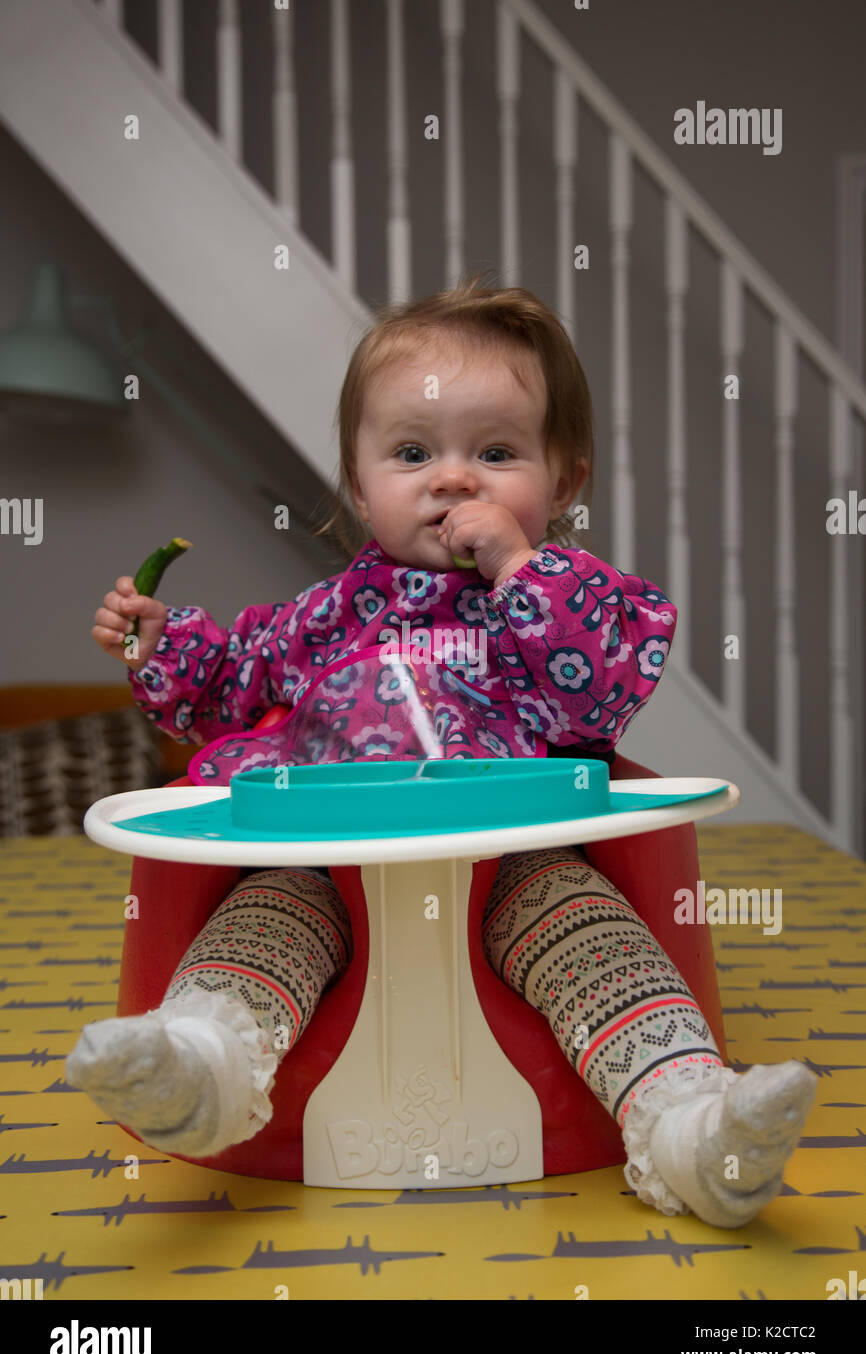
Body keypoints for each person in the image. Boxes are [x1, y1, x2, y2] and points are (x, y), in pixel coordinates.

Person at [69, 280, 815, 1227]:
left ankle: (689, 1125)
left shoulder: (568, 603)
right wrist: (162, 642)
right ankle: (202, 1068)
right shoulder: (328, 614)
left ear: (565, 479)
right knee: (257, 932)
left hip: (515, 862)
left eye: (496, 453)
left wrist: (518, 569)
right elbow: (229, 686)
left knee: (598, 946)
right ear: (359, 479)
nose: (452, 480)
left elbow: (603, 681)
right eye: (413, 453)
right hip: (327, 858)